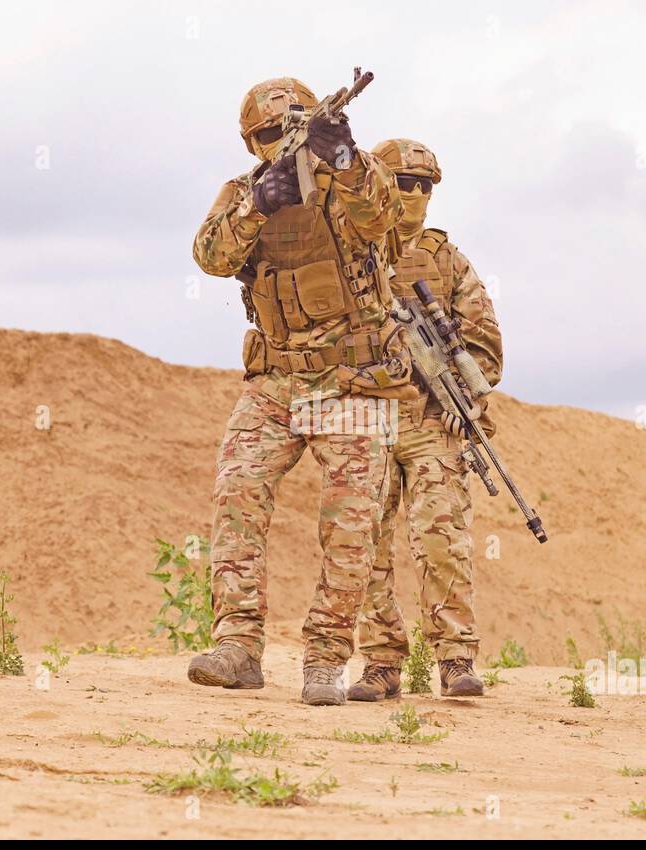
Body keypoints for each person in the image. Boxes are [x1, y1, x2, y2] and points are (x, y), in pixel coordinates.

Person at [187, 78, 414, 705]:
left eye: (289, 130)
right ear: (250, 142)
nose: (276, 143)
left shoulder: (350, 183)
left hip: (350, 376)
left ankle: (325, 657)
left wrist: (344, 157)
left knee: (349, 524)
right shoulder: (243, 191)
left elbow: (386, 220)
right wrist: (258, 204)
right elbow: (208, 255)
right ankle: (237, 645)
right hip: (275, 378)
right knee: (237, 493)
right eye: (264, 136)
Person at [348, 138, 503, 700]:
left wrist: (464, 400)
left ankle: (455, 659)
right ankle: (381, 662)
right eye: (403, 182)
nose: (415, 195)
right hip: (366, 419)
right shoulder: (351, 251)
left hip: (432, 422)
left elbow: (485, 346)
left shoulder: (446, 260)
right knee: (365, 545)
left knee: (442, 539)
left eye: (425, 185)